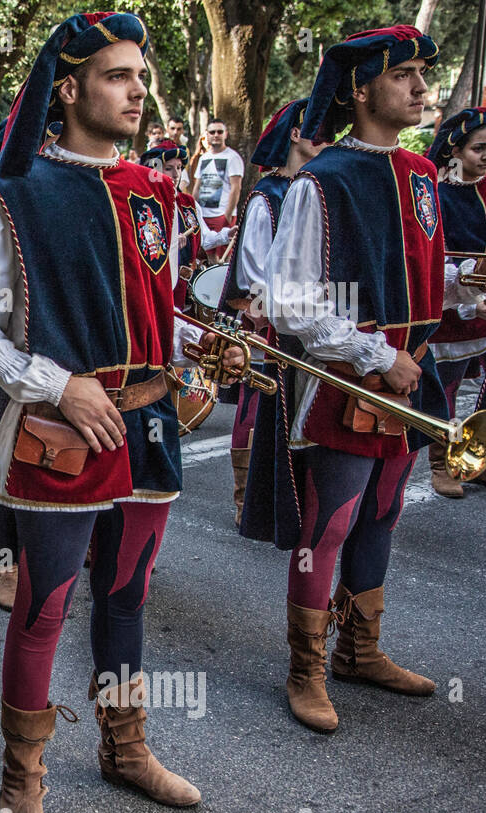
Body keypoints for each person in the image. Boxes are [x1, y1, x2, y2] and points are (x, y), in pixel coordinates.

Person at [0, 13, 247, 813]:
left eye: (141, 75)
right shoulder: (14, 194)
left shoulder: (156, 191)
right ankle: (21, 781)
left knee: (129, 596)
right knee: (43, 607)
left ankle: (125, 746)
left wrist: (196, 346)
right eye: (117, 75)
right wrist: (55, 383)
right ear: (67, 89)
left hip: (147, 428)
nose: (137, 88)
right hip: (59, 434)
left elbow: (153, 304)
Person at [250, 25, 446, 735]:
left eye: (424, 75)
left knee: (383, 515)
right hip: (351, 383)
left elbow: (425, 275)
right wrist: (372, 355)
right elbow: (289, 301)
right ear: (361, 89)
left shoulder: (423, 175)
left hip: (409, 380)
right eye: (406, 77)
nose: (422, 89)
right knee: (327, 525)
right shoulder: (320, 181)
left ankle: (361, 649)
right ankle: (306, 668)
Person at [218, 98, 324, 526]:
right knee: (257, 403)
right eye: (316, 128)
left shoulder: (317, 187)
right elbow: (254, 271)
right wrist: (277, 310)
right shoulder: (267, 195)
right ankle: (248, 497)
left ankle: (291, 496)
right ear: (295, 134)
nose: (327, 136)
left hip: (308, 320)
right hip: (267, 320)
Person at [423, 107, 486, 496]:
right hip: (454, 312)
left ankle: (477, 458)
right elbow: (434, 262)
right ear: (455, 149)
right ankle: (442, 464)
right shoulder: (436, 193)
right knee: (447, 388)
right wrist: (472, 302)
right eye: (478, 148)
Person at [137, 139, 232, 314]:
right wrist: (169, 245)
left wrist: (226, 235)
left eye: (179, 168)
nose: (175, 174)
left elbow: (204, 239)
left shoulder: (188, 203)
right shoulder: (146, 205)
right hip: (158, 287)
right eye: (168, 168)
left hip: (186, 287)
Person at [194, 117, 244, 231]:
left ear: (225, 134)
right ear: (207, 135)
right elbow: (198, 186)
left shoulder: (233, 157)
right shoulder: (203, 158)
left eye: (220, 132)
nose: (216, 135)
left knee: (223, 249)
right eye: (212, 132)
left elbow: (236, 188)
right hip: (203, 216)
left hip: (221, 215)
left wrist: (227, 214)